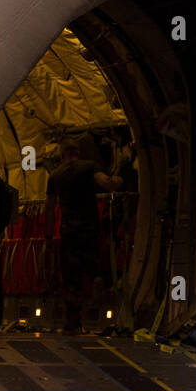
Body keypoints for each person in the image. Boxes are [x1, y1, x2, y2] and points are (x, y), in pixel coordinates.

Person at [44, 140, 120, 333]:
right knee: (96, 268)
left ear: (62, 155)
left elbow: (50, 208)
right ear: (77, 152)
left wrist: (48, 236)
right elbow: (106, 183)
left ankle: (73, 323)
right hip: (90, 230)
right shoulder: (89, 167)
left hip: (68, 232)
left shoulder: (55, 176)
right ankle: (105, 306)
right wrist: (119, 180)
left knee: (71, 278)